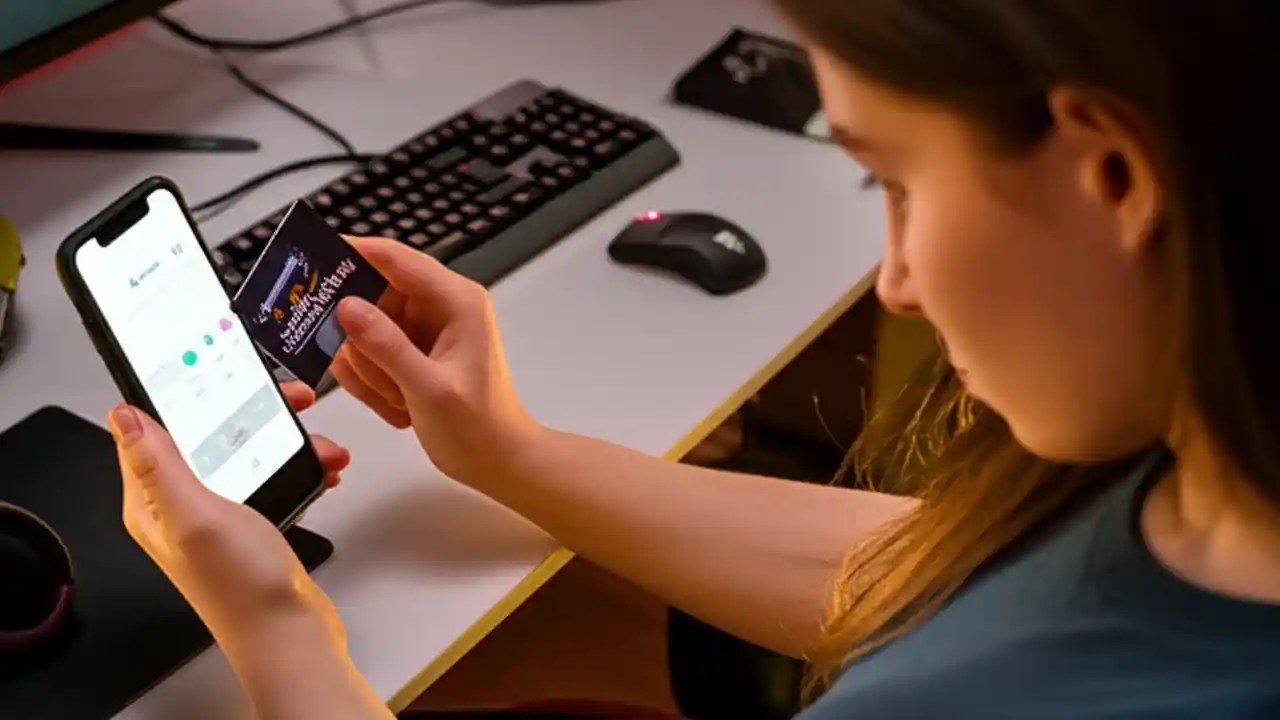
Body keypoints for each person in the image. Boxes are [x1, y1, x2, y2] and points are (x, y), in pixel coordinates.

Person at [106, 1, 1280, 717]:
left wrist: (273, 625)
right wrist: (505, 452)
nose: (896, 283)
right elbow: (945, 574)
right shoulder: (1208, 482)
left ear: (1111, 174)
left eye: (897, 182)